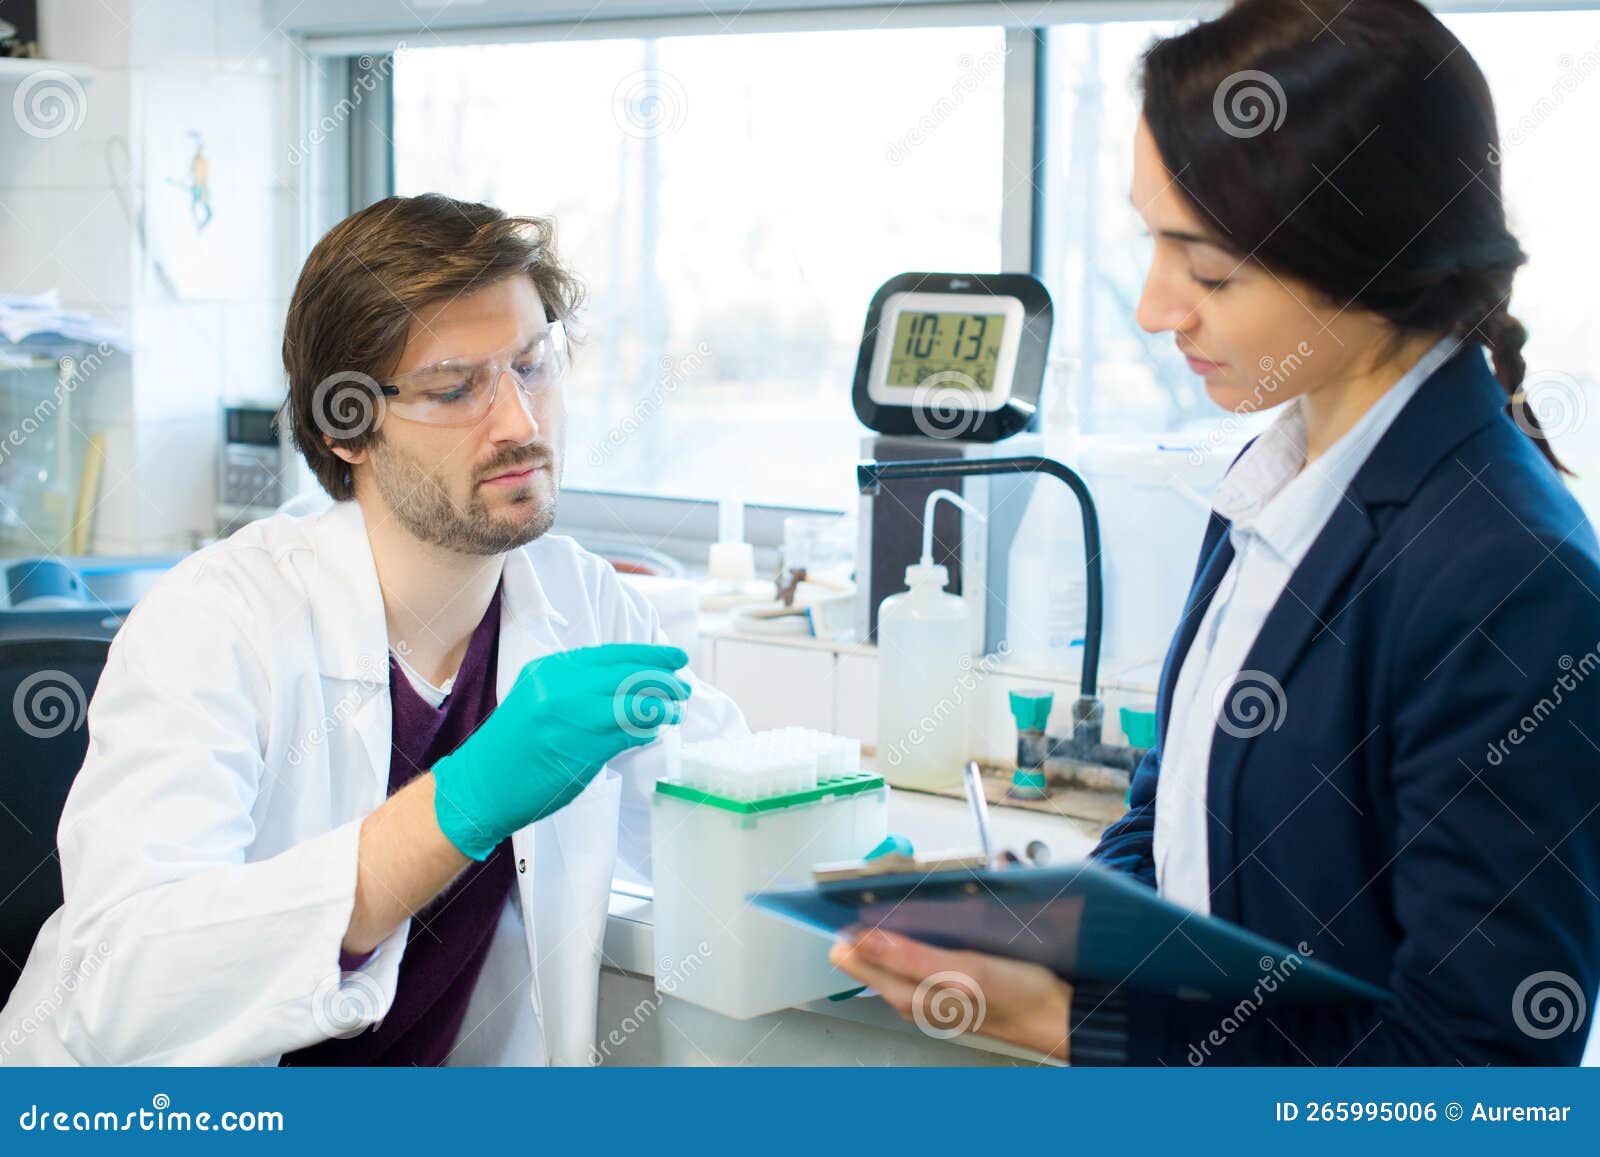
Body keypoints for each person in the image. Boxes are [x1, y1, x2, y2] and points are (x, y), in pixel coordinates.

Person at [832, 0, 1600, 1065]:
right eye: (1153, 241)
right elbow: (1176, 830)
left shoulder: (1508, 579)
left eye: (1208, 270)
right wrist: (1019, 925)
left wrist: (1058, 1016)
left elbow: (1474, 1072)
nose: (1156, 307)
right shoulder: (1274, 480)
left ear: (1365, 259)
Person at [0, 194, 745, 1066]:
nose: (522, 423)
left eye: (533, 365)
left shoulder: (582, 601)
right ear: (345, 426)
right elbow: (118, 997)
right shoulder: (217, 623)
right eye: (456, 388)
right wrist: (459, 803)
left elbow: (724, 815)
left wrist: (865, 879)